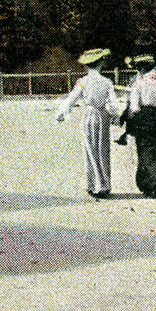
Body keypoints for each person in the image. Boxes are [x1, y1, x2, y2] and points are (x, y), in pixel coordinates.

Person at [56, 48, 122, 199]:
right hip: (102, 117)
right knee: (103, 150)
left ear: (87, 66)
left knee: (90, 150)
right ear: (100, 64)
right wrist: (116, 117)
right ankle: (104, 185)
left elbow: (72, 99)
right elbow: (112, 103)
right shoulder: (106, 82)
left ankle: (91, 185)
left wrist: (62, 113)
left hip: (89, 116)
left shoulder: (83, 82)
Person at [121, 54, 156, 197]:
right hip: (155, 119)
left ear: (140, 69)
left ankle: (149, 184)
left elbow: (134, 107)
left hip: (142, 119)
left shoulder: (137, 85)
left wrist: (130, 120)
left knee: (143, 150)